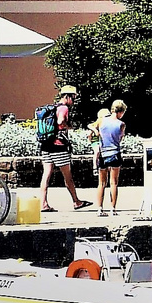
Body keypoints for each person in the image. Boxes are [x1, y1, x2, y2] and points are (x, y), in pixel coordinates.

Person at [39, 84, 92, 212]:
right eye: (73, 98)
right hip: (58, 146)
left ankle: (43, 204)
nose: (73, 101)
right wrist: (66, 127)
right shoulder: (63, 108)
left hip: (46, 145)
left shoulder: (52, 107)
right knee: (68, 176)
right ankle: (76, 202)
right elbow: (60, 121)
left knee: (46, 175)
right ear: (67, 97)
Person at [96, 100, 128, 216]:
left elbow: (92, 127)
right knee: (113, 183)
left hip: (103, 154)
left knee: (101, 183)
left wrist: (96, 132)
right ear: (121, 112)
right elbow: (120, 139)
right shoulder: (121, 124)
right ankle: (112, 209)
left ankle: (99, 209)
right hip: (115, 153)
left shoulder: (101, 121)